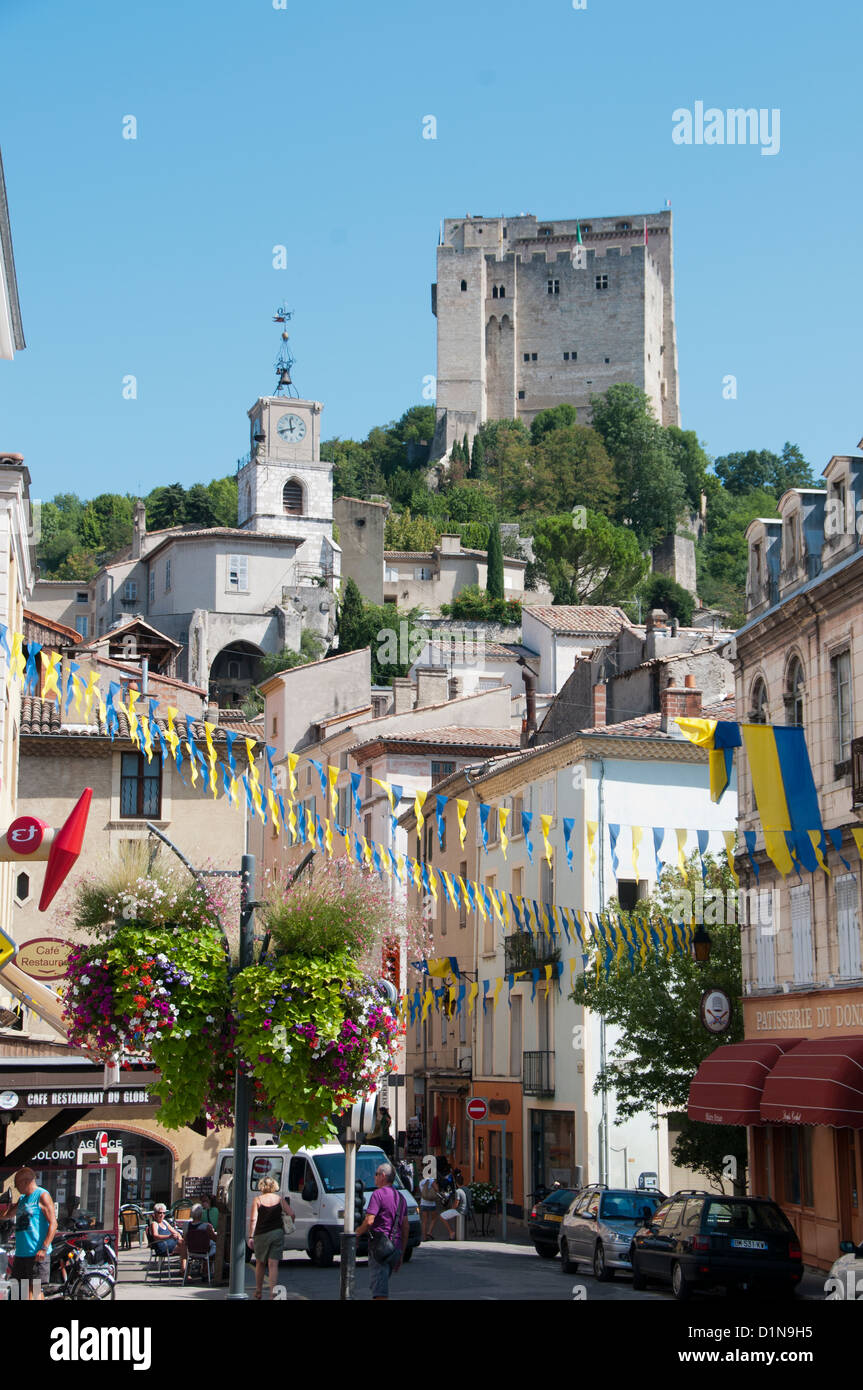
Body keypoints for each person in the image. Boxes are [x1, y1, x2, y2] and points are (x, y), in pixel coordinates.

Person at [0, 1167, 57, 1300]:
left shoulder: (42, 1195)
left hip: (36, 1254)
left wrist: (44, 1248)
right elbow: (7, 1215)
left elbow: (54, 1224)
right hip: (21, 1254)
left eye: (17, 1185)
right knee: (16, 1291)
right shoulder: (22, 1199)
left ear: (25, 1182)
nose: (16, 1188)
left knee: (34, 1290)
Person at [356, 1161, 409, 1301]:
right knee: (380, 1286)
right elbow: (405, 1227)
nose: (374, 1177)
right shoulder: (401, 1198)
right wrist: (401, 1253)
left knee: (380, 1292)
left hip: (380, 1248)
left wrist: (356, 1234)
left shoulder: (378, 1194)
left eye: (376, 1174)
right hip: (394, 1248)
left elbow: (369, 1221)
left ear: (383, 1176)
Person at [248, 1176, 293, 1300]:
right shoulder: (279, 1199)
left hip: (261, 1234)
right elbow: (292, 1214)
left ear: (261, 1186)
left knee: (260, 1263)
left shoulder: (257, 1200)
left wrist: (250, 1236)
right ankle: (273, 1293)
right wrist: (287, 1225)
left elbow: (253, 1219)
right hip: (277, 1233)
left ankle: (258, 1291)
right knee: (273, 1264)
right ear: (274, 1186)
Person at [149, 1203, 187, 1274]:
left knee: (184, 1244)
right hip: (162, 1246)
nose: (162, 1215)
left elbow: (174, 1231)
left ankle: (184, 1270)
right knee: (185, 1248)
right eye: (160, 1213)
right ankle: (184, 1270)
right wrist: (169, 1237)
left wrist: (178, 1236)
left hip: (170, 1244)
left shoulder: (165, 1222)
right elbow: (155, 1236)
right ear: (155, 1214)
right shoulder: (154, 1224)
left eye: (164, 1213)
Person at [184, 1203, 217, 1276]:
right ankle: (206, 1271)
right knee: (215, 1247)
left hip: (191, 1251)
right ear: (201, 1214)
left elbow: (185, 1238)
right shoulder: (207, 1226)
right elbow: (215, 1238)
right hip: (204, 1251)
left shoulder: (186, 1225)